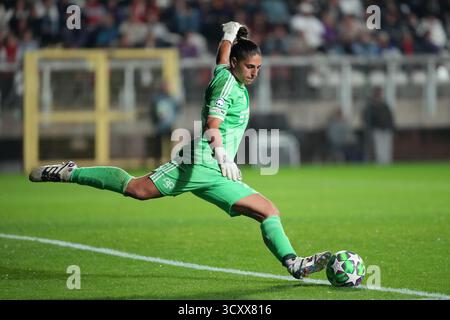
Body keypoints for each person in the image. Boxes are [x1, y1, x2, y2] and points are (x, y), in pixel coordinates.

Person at [29, 22, 331, 280]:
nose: (255, 73)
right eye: (250, 67)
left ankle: (294, 263)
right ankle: (72, 172)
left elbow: (221, 60)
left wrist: (228, 34)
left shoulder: (228, 74)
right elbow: (212, 126)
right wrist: (224, 156)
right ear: (238, 64)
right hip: (199, 161)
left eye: (259, 68)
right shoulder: (227, 85)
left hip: (218, 173)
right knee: (137, 189)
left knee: (268, 211)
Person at [362, 87, 395, 164]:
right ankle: (380, 163)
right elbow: (367, 118)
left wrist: (392, 127)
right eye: (377, 93)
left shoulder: (384, 105)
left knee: (387, 148)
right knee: (379, 148)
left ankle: (387, 163)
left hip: (386, 129)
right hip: (377, 129)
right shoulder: (371, 105)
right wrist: (369, 128)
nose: (379, 94)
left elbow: (390, 117)